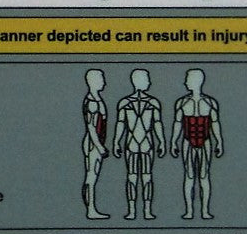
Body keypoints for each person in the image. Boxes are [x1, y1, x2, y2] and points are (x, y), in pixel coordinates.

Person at [171, 68, 224, 220]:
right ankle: (189, 211)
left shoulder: (210, 103)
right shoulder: (182, 103)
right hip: (187, 141)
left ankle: (205, 211)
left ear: (196, 81)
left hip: (205, 141)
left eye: (188, 79)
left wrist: (219, 141)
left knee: (204, 176)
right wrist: (173, 141)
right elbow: (177, 123)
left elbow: (215, 123)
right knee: (189, 176)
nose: (185, 82)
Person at [113, 68, 165, 221]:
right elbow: (121, 124)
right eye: (147, 79)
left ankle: (140, 211)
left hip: (137, 143)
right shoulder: (151, 103)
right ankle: (137, 211)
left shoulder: (126, 103)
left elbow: (157, 123)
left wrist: (162, 141)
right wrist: (116, 141)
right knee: (138, 177)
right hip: (140, 143)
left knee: (137, 177)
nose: (149, 82)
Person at [81, 68, 110, 219]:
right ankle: (91, 210)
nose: (104, 82)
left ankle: (92, 208)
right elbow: (91, 128)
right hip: (93, 143)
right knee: (91, 177)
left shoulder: (97, 99)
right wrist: (100, 147)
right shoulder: (92, 102)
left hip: (98, 141)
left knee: (93, 176)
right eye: (101, 79)